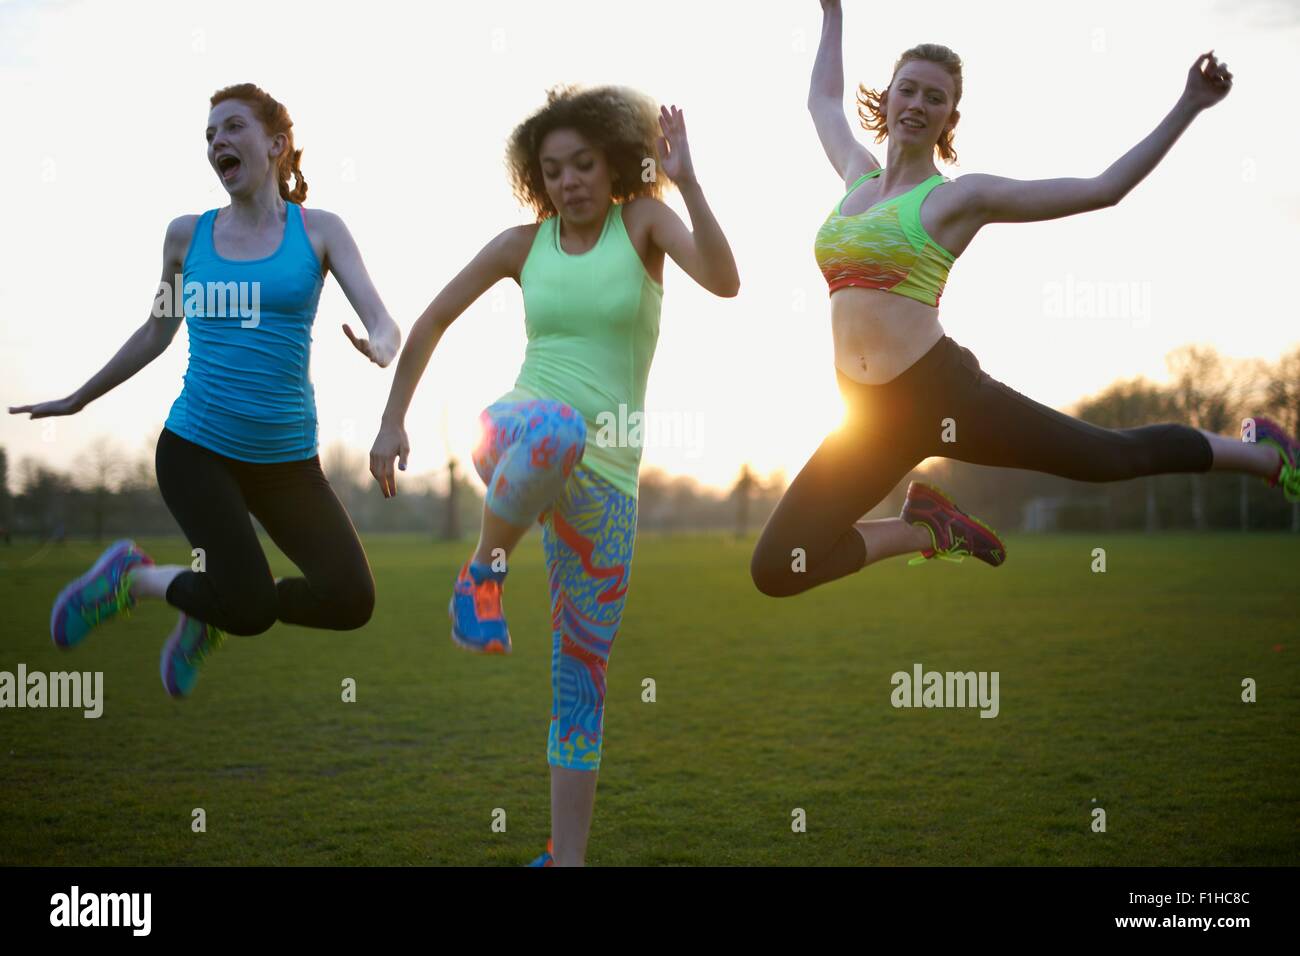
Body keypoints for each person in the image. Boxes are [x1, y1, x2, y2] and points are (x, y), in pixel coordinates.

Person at [750, 0, 1297, 598]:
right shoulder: (854, 177)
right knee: (780, 566)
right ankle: (927, 529)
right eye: (907, 90)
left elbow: (1102, 189)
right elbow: (822, 103)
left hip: (938, 393)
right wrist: (833, 14)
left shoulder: (958, 199)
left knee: (1108, 457)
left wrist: (1189, 104)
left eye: (935, 98)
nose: (917, 104)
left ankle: (1261, 454)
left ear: (949, 117)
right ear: (886, 99)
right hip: (866, 419)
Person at [369, 86, 739, 866]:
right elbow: (432, 317)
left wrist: (690, 182)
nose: (569, 181)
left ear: (614, 164)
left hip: (608, 484)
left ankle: (565, 859)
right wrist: (392, 418)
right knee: (557, 429)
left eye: (583, 164)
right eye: (553, 169)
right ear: (536, 179)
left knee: (583, 676)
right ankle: (482, 573)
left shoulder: (642, 225)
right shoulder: (521, 245)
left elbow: (724, 279)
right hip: (516, 437)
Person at [10, 83, 401, 696]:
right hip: (198, 450)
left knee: (351, 599)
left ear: (276, 144)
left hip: (288, 464)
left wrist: (380, 345)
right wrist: (79, 398)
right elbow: (156, 331)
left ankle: (209, 603)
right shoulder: (186, 237)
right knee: (248, 611)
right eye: (210, 134)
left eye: (233, 126)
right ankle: (132, 579)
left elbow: (383, 319)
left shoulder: (319, 230)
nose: (219, 139)